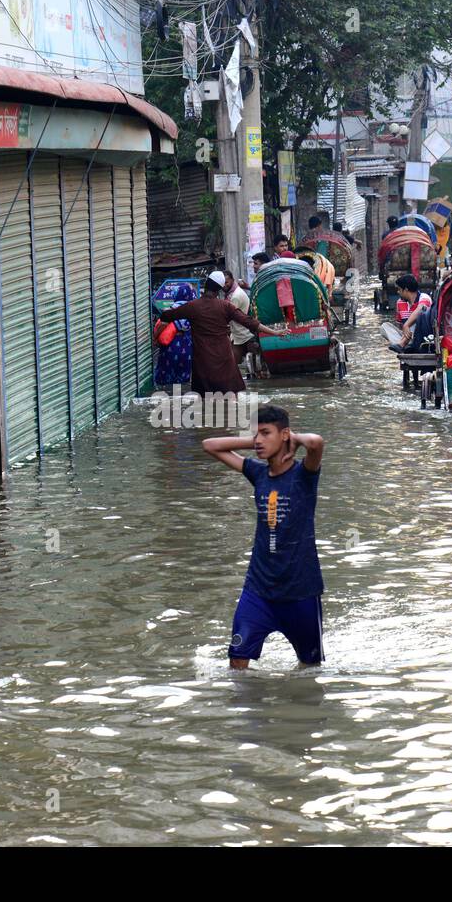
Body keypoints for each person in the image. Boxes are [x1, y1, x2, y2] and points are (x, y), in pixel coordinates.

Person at [202, 405, 325, 670]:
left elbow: (315, 443)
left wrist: (293, 438)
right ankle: (246, 711)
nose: (258, 440)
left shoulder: (304, 476)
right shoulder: (257, 473)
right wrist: (256, 441)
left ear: (285, 435)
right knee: (237, 661)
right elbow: (210, 445)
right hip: (258, 591)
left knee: (309, 668)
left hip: (301, 592)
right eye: (255, 434)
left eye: (266, 433)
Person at [158, 270, 284, 394]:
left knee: (205, 401)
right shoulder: (225, 306)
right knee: (230, 396)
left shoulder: (192, 306)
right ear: (219, 289)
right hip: (224, 357)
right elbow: (249, 321)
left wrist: (165, 309)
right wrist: (274, 332)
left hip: (202, 360)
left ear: (206, 284)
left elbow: (166, 316)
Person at [388, 274, 433, 353]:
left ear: (405, 290)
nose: (398, 292)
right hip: (408, 335)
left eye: (399, 289)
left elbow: (420, 309)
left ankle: (402, 344)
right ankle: (403, 343)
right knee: (385, 327)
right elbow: (400, 325)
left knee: (420, 316)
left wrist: (407, 325)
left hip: (424, 335)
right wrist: (405, 329)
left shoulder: (424, 297)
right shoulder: (399, 302)